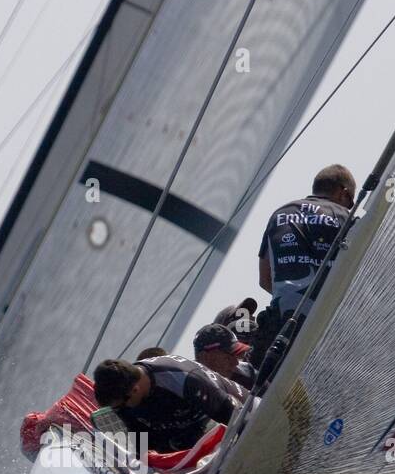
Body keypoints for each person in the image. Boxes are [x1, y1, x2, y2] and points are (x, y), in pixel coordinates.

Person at [253, 164, 356, 367]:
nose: (349, 207)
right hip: (324, 328)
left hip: (279, 323)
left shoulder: (279, 214)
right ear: (343, 193)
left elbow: (265, 280)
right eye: (351, 202)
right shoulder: (347, 219)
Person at [92, 354, 248, 453]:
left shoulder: (182, 379)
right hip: (194, 434)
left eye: (121, 406)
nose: (121, 410)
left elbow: (238, 421)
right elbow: (143, 446)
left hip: (242, 410)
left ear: (135, 390)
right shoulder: (123, 396)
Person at [193, 323, 255, 389]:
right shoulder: (190, 389)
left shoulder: (247, 373)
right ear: (207, 358)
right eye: (227, 358)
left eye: (236, 355)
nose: (235, 363)